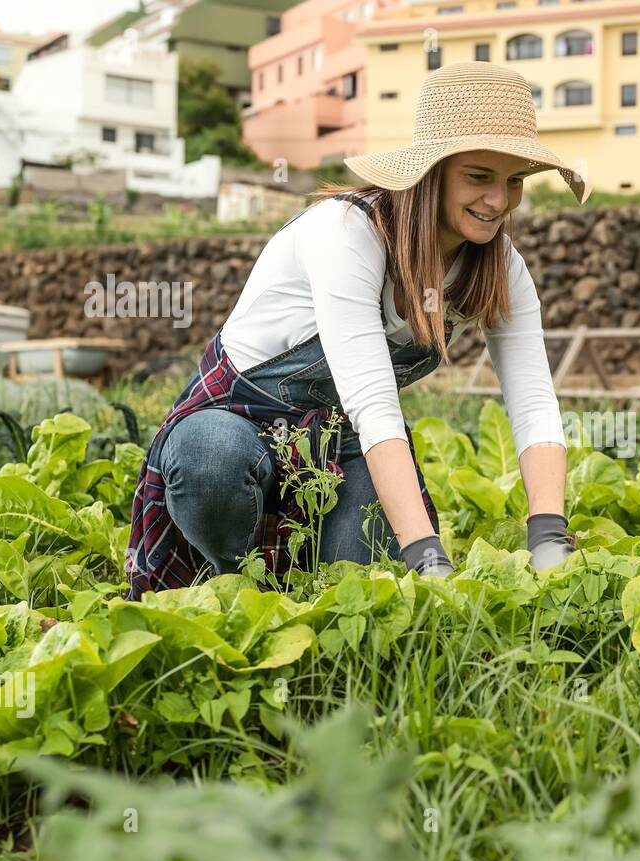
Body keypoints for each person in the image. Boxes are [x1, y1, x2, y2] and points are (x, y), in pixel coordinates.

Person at [126, 62, 587, 599]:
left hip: (345, 442)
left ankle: (307, 591)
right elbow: (375, 400)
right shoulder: (347, 233)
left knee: (364, 585)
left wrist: (549, 536)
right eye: (479, 176)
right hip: (239, 424)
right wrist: (427, 557)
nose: (498, 201)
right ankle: (233, 586)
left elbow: (532, 401)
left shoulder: (498, 266)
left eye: (513, 181)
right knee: (207, 458)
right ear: (429, 173)